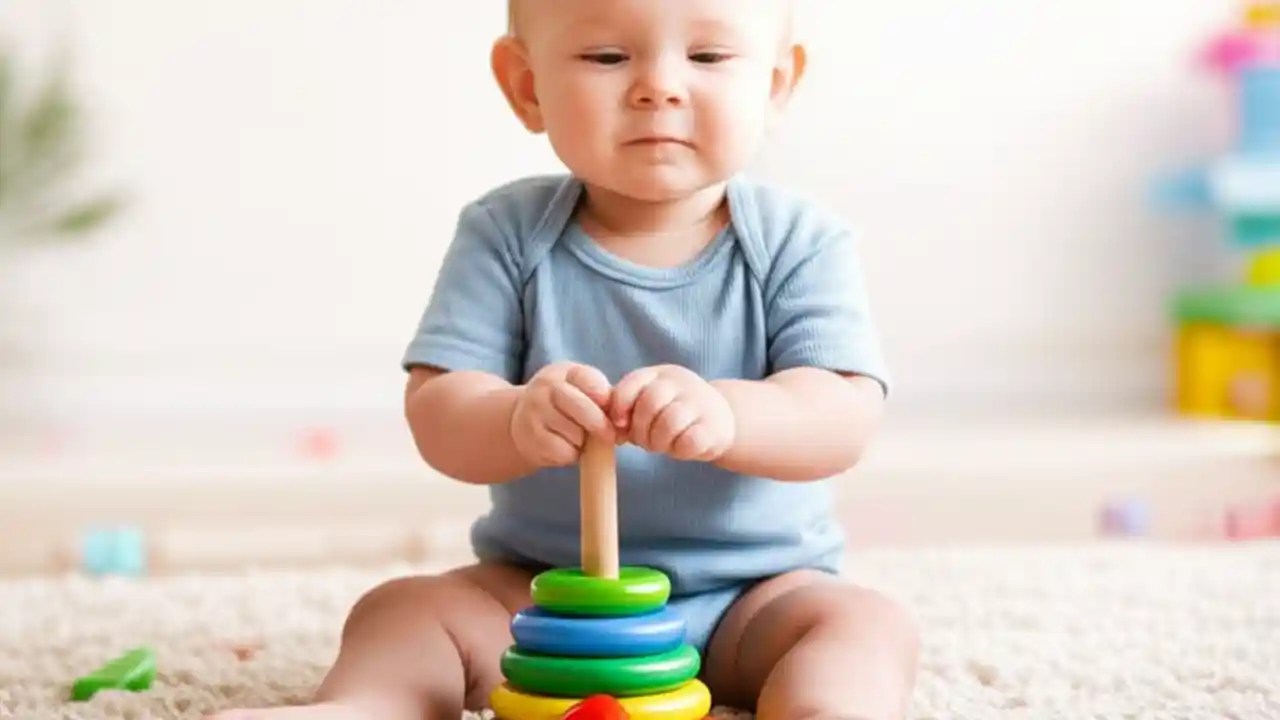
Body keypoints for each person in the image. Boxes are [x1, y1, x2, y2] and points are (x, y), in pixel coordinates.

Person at [210, 1, 920, 718]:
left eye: (706, 58)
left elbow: (842, 414)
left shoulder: (801, 242)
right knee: (402, 610)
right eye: (608, 58)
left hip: (751, 602)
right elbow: (440, 408)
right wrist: (515, 417)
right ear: (526, 86)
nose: (659, 88)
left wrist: (730, 413)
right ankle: (366, 706)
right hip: (542, 610)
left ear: (774, 84)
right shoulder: (506, 236)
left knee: (863, 626)